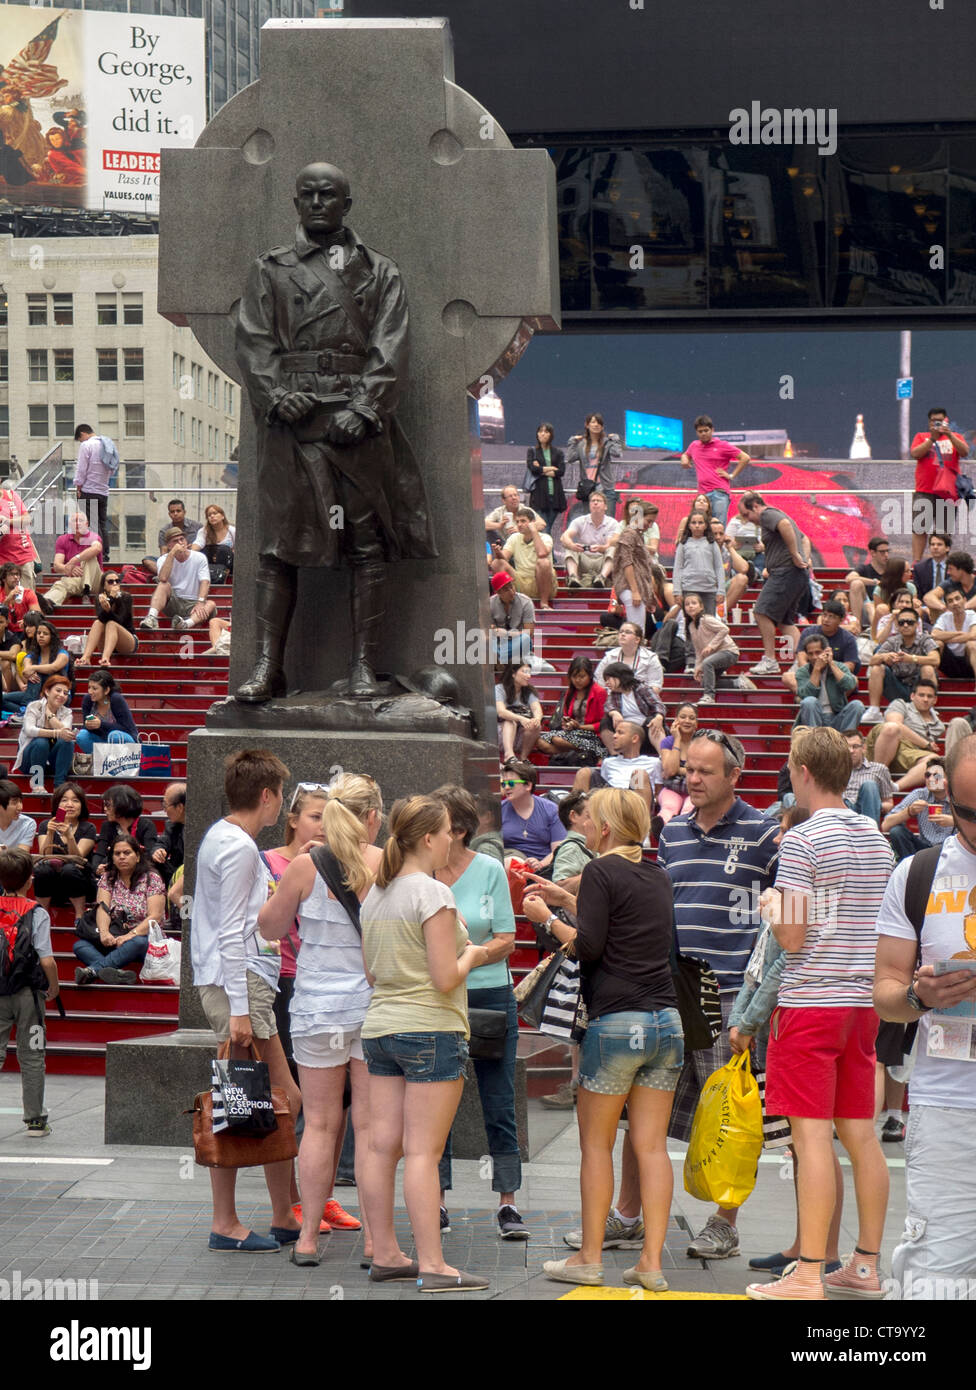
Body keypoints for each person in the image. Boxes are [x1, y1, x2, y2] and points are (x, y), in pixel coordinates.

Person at [234, 163, 437, 702]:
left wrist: (367, 407)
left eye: (329, 195)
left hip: (354, 424)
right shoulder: (269, 270)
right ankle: (265, 667)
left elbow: (391, 345)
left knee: (366, 545)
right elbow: (253, 341)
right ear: (295, 202)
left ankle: (365, 668)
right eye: (308, 194)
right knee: (278, 549)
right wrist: (278, 396)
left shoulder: (379, 270)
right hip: (293, 424)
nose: (318, 202)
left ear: (347, 203)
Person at [746, 727, 894, 1300]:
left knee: (810, 1140)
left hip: (810, 1003)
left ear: (802, 772)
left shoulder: (802, 842)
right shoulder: (876, 838)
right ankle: (863, 1266)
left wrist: (769, 904)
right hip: (862, 1003)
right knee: (860, 1135)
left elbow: (792, 933)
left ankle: (808, 1271)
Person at [540, 788, 683, 1290]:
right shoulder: (657, 875)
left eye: (589, 822)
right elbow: (628, 923)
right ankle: (651, 1264)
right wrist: (568, 898)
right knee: (651, 1148)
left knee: (596, 1147)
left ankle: (589, 1257)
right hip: (667, 1022)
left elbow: (590, 945)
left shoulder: (601, 870)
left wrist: (549, 919)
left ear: (603, 828)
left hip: (617, 1023)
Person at [359, 795, 491, 1292]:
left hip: (380, 1029)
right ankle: (434, 1265)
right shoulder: (433, 894)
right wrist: (474, 955)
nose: (453, 839)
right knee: (422, 1153)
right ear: (431, 838)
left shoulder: (377, 893)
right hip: (431, 1027)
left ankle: (388, 1254)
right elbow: (443, 978)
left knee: (380, 1145)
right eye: (449, 832)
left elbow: (371, 972)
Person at [658, 727, 780, 1261]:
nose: (694, 778)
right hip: (671, 991)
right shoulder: (671, 833)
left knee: (731, 1119)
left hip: (731, 994)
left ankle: (724, 1224)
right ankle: (629, 1216)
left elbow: (787, 921)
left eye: (707, 770)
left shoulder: (764, 834)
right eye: (689, 768)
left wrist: (759, 1006)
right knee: (648, 1113)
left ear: (735, 775)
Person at [874, 732, 976, 1299]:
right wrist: (920, 998)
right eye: (970, 813)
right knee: (939, 1274)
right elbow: (884, 992)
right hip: (949, 1106)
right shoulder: (916, 875)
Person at [258, 779, 377, 1265]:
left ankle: (307, 1236)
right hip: (372, 1006)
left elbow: (268, 927)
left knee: (320, 1125)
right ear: (371, 816)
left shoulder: (305, 865)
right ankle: (376, 1241)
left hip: (315, 1008)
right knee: (370, 1129)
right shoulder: (384, 863)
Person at [191, 749, 301, 1253]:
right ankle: (226, 1222)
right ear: (266, 796)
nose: (282, 806)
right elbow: (235, 933)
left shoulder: (222, 835)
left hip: (236, 982)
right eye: (281, 795)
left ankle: (283, 1214)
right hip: (240, 984)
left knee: (261, 1101)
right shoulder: (237, 846)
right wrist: (239, 1007)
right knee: (243, 1102)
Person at [430, 785, 527, 1238]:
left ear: (460, 830)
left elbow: (507, 939)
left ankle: (508, 1203)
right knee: (435, 1105)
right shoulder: (421, 872)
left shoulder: (489, 870)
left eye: (438, 824)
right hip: (435, 999)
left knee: (498, 1101)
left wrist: (465, 957)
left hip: (488, 996)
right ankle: (438, 1200)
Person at [0, 848, 58, 1136]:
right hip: (29, 995)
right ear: (29, 880)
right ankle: (35, 1120)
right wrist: (54, 986)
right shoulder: (37, 912)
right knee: (33, 1053)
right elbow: (46, 958)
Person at [73, 832, 166, 987]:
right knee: (80, 946)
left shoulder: (152, 878)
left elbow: (155, 916)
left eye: (127, 853)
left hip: (142, 938)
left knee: (138, 943)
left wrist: (129, 936)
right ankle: (114, 974)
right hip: (115, 936)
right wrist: (104, 933)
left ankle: (94, 970)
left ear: (137, 856)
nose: (122, 857)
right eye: (117, 854)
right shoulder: (108, 877)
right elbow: (102, 908)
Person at [741, 492, 811, 677]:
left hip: (785, 573)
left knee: (760, 612)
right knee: (785, 621)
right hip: (795, 574)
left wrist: (796, 555)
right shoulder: (778, 514)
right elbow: (804, 538)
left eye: (747, 514)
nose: (748, 520)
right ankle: (800, 662)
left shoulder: (767, 514)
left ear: (755, 505)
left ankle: (770, 660)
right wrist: (803, 558)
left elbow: (786, 525)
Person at [909, 406, 970, 563]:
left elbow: (964, 452)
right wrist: (932, 439)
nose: (937, 424)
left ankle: (943, 564)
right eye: (934, 421)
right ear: (929, 422)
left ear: (946, 421)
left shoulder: (955, 436)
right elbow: (915, 454)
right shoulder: (922, 436)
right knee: (919, 528)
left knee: (944, 530)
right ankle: (917, 563)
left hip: (948, 492)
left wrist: (949, 434)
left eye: (940, 421)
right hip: (924, 490)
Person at [33, 782, 97, 921]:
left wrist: (69, 836)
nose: (70, 804)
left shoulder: (88, 828)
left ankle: (80, 915)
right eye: (64, 800)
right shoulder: (46, 825)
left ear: (82, 805)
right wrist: (50, 832)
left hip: (80, 880)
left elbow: (78, 858)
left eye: (75, 800)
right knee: (42, 870)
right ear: (57, 804)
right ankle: (42, 917)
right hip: (53, 881)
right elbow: (44, 855)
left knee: (69, 869)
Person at [862, 608, 939, 724]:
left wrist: (911, 658)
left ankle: (929, 709)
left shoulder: (925, 639)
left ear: (917, 624)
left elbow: (935, 660)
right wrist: (884, 657)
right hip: (897, 686)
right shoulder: (893, 641)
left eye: (910, 622)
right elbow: (872, 660)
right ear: (897, 626)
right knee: (877, 668)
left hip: (919, 687)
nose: (906, 625)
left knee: (927, 668)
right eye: (902, 622)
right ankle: (874, 710)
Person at [865, 677, 945, 786]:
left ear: (935, 699)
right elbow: (895, 723)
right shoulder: (900, 704)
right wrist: (926, 744)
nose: (925, 699)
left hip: (909, 753)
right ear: (912, 696)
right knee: (892, 728)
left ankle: (895, 788)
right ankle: (876, 779)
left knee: (935, 761)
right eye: (921, 695)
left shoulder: (939, 726)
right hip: (883, 744)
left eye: (929, 696)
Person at [572, 719, 659, 815]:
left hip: (634, 803)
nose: (614, 736)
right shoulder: (608, 762)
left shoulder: (654, 762)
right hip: (609, 800)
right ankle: (577, 822)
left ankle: (642, 826)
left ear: (634, 738)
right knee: (583, 772)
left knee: (639, 774)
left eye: (620, 733)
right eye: (615, 732)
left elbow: (659, 793)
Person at [139, 528, 216, 633]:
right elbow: (163, 578)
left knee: (211, 604)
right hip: (173, 602)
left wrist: (200, 602)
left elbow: (205, 582)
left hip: (193, 603)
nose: (180, 543)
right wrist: (172, 554)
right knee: (163, 585)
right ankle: (151, 617)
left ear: (186, 541)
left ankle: (186, 624)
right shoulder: (163, 559)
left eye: (182, 539)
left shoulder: (199, 557)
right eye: (175, 541)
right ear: (169, 545)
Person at [537, 655, 606, 765]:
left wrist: (580, 726)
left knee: (557, 740)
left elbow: (603, 724)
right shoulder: (570, 692)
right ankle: (580, 751)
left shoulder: (599, 692)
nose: (577, 680)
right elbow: (565, 715)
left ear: (590, 676)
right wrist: (567, 723)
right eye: (574, 677)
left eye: (582, 676)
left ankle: (593, 750)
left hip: (592, 735)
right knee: (540, 742)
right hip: (573, 733)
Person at [783, 600, 862, 698]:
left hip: (833, 673)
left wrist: (828, 668)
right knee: (787, 677)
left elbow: (850, 665)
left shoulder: (848, 638)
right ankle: (806, 695)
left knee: (854, 681)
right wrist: (813, 671)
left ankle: (834, 703)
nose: (826, 620)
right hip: (810, 669)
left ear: (841, 621)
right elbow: (801, 656)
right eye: (824, 615)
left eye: (831, 617)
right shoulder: (808, 632)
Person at [680, 415, 750, 523]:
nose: (703, 433)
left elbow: (745, 458)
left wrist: (731, 475)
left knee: (718, 526)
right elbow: (685, 454)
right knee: (701, 526)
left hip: (720, 493)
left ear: (712, 430)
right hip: (702, 495)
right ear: (697, 433)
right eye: (700, 431)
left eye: (706, 430)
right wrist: (684, 459)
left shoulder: (723, 445)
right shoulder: (694, 445)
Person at [683, 593, 748, 706]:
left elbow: (724, 629)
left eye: (694, 603)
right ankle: (737, 682)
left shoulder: (706, 619)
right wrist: (697, 666)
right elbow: (698, 650)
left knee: (707, 663)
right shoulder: (691, 626)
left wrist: (711, 646)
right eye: (687, 604)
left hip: (729, 652)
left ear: (701, 606)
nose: (690, 606)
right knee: (705, 682)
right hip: (715, 657)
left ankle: (709, 696)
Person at [882, 759, 954, 860]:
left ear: (948, 778)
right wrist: (909, 811)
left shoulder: (958, 796)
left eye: (936, 776)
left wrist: (954, 821)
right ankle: (909, 869)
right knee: (897, 831)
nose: (930, 779)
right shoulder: (919, 794)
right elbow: (885, 825)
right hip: (924, 849)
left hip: (951, 849)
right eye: (928, 775)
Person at [500, 760, 565, 870]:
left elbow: (558, 849)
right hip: (511, 865)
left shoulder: (551, 810)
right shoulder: (499, 810)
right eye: (503, 783)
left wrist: (541, 864)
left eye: (511, 783)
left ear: (528, 785)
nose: (506, 787)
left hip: (545, 868)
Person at [794, 634, 865, 732]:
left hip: (837, 716)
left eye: (818, 652)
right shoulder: (802, 672)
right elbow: (806, 695)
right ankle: (815, 741)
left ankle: (845, 741)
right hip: (814, 717)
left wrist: (831, 664)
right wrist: (817, 670)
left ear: (826, 651)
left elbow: (849, 685)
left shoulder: (839, 667)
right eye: (810, 654)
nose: (814, 657)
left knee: (857, 705)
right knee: (809, 701)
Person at [1, 616, 70, 718]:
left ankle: (25, 710)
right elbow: (26, 670)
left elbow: (53, 667)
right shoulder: (32, 655)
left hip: (57, 694)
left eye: (45, 634)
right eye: (39, 633)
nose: (41, 636)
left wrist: (34, 669)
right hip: (34, 694)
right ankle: (27, 711)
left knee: (37, 674)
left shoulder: (62, 654)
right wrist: (30, 671)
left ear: (52, 637)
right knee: (3, 699)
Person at [12, 674, 73, 786]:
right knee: (41, 742)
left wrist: (49, 715)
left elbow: (66, 732)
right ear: (47, 691)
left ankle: (59, 785)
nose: (62, 695)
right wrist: (56, 733)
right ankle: (37, 783)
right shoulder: (34, 706)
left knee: (67, 742)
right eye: (58, 690)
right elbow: (29, 730)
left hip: (52, 762)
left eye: (65, 693)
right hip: (29, 761)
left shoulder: (67, 713)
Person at [38, 512, 102, 616]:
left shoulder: (93, 537)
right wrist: (68, 569)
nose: (77, 523)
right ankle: (47, 602)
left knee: (90, 557)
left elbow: (97, 548)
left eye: (80, 520)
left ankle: (86, 591)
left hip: (96, 580)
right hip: (77, 580)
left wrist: (74, 560)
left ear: (87, 524)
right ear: (69, 524)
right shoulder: (62, 540)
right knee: (61, 584)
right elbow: (57, 565)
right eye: (74, 521)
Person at [597, 662, 664, 757]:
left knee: (654, 721)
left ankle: (663, 755)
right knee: (605, 721)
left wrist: (659, 717)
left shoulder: (642, 688)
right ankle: (615, 755)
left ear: (619, 677)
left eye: (609, 679)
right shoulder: (614, 694)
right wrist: (614, 713)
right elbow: (608, 706)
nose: (606, 683)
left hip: (644, 729)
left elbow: (658, 704)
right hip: (625, 730)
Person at [91, 783, 159, 876]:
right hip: (113, 873)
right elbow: (100, 853)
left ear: (122, 805)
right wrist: (97, 867)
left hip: (140, 873)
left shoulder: (146, 825)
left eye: (108, 805)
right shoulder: (107, 826)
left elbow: (150, 856)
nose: (105, 809)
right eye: (104, 805)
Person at [611, 500, 658, 630]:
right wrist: (635, 591)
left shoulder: (637, 534)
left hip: (637, 588)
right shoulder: (629, 534)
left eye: (652, 522)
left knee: (637, 631)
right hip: (630, 588)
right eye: (649, 521)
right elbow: (627, 563)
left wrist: (646, 596)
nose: (650, 525)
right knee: (636, 631)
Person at [77, 570, 138, 669]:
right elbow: (101, 619)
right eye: (110, 582)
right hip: (108, 641)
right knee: (97, 623)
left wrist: (111, 601)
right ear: (104, 585)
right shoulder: (100, 598)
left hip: (127, 640)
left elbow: (120, 621)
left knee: (111, 624)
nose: (114, 584)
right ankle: (86, 657)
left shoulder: (126, 597)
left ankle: (105, 659)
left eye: (117, 581)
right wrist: (110, 600)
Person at [565, 413, 622, 517]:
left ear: (602, 426)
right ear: (587, 425)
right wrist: (572, 441)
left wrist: (615, 439)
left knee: (608, 519)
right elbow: (570, 458)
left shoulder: (606, 442)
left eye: (599, 423)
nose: (596, 425)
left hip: (605, 486)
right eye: (593, 422)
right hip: (588, 487)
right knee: (590, 520)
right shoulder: (582, 444)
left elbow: (617, 453)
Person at [672, 510, 726, 617]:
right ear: (689, 525)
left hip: (709, 590)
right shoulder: (683, 544)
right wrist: (677, 591)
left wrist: (721, 591)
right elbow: (678, 568)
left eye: (700, 523)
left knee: (709, 621)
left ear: (706, 525)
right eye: (694, 523)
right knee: (691, 623)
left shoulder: (712, 543)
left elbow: (719, 567)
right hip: (689, 589)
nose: (697, 526)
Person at [562, 490, 619, 588]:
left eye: (599, 501)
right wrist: (572, 545)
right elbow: (564, 537)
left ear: (605, 506)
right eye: (593, 501)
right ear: (589, 505)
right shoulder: (580, 520)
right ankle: (573, 577)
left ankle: (602, 577)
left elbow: (613, 542)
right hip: (584, 559)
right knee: (569, 546)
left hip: (602, 560)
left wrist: (603, 548)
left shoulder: (612, 523)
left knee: (613, 549)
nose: (595, 503)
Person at [501, 507, 555, 610]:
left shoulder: (546, 537)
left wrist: (534, 531)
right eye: (517, 522)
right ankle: (506, 602)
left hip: (544, 584)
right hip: (521, 582)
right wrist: (498, 552)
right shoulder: (514, 537)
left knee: (543, 562)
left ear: (532, 522)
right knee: (497, 563)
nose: (519, 524)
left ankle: (544, 603)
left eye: (523, 521)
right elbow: (504, 558)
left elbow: (542, 553)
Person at [72, 425, 112, 564]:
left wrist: (78, 486)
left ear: (83, 433)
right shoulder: (107, 443)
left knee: (91, 524)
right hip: (103, 490)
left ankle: (96, 553)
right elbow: (112, 466)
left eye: (80, 439)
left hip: (88, 490)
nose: (81, 442)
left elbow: (81, 469)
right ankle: (105, 554)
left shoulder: (86, 445)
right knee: (102, 523)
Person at [75, 670, 138, 756]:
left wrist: (101, 724)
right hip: (102, 741)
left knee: (114, 735)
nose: (90, 692)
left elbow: (127, 728)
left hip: (124, 739)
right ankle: (101, 762)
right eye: (89, 687)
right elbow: (86, 728)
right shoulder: (88, 700)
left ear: (106, 690)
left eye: (94, 688)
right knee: (82, 736)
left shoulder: (116, 699)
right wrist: (88, 725)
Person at [655, 702, 699, 824]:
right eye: (683, 717)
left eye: (691, 718)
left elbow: (701, 771)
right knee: (669, 807)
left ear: (696, 723)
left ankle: (682, 834)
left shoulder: (701, 742)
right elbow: (670, 770)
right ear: (676, 720)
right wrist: (677, 740)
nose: (687, 721)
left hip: (695, 789)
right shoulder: (668, 742)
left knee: (689, 809)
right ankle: (661, 831)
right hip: (671, 789)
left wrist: (679, 769)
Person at [594, 620, 663, 694]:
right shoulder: (610, 656)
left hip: (641, 701)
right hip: (613, 700)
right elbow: (598, 682)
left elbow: (656, 686)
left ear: (637, 639)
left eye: (627, 632)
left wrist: (632, 696)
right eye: (621, 631)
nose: (623, 634)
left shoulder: (651, 658)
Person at [495, 661, 544, 763]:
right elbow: (501, 712)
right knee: (510, 721)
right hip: (501, 734)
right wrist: (521, 718)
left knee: (535, 725)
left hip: (521, 735)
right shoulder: (499, 689)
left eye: (529, 673)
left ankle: (523, 758)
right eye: (525, 672)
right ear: (513, 673)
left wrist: (537, 719)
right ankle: (509, 756)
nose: (529, 676)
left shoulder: (529, 691)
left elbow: (537, 709)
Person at [843, 730, 895, 825]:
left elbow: (888, 803)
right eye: (847, 747)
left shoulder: (879, 769)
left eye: (855, 746)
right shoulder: (834, 770)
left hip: (867, 809)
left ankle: (870, 833)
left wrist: (874, 804)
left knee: (869, 785)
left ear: (863, 748)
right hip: (843, 809)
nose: (850, 751)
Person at [525, 422, 566, 534]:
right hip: (539, 496)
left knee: (547, 529)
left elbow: (561, 471)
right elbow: (532, 468)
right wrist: (551, 468)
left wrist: (541, 470)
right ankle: (550, 552)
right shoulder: (532, 451)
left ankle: (546, 551)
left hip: (555, 496)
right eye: (540, 431)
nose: (543, 434)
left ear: (551, 435)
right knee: (545, 530)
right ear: (537, 434)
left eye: (546, 431)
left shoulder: (558, 452)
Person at [488, 572, 534, 668]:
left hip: (517, 642)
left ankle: (498, 659)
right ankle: (500, 658)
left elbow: (529, 631)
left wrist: (507, 634)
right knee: (486, 637)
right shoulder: (490, 603)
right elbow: (489, 628)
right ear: (498, 592)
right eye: (506, 589)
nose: (512, 591)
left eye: (512, 586)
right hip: (498, 643)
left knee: (526, 639)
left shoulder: (526, 602)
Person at [710, 516, 755, 614]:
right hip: (706, 591)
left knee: (742, 579)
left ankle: (720, 613)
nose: (718, 537)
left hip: (722, 590)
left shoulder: (726, 551)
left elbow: (744, 569)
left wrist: (730, 547)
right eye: (714, 534)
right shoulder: (702, 550)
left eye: (721, 534)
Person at [931, 586, 976, 682]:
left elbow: (973, 635)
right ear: (947, 606)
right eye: (950, 601)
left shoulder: (972, 615)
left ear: (964, 600)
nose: (955, 603)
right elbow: (934, 635)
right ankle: (932, 683)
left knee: (972, 644)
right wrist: (958, 633)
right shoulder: (944, 617)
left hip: (969, 662)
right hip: (949, 663)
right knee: (937, 643)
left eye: (957, 599)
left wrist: (947, 638)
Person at [0, 485, 39, 590]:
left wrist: (7, 521)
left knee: (26, 598)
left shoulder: (11, 495)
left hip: (23, 555)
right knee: (4, 601)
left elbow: (27, 520)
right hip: (3, 560)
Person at [921, 548, 976, 619]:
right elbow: (928, 597)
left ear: (961, 569)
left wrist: (962, 608)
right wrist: (945, 608)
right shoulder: (950, 582)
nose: (948, 572)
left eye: (950, 569)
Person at [151, 782, 186, 886]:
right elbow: (161, 842)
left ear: (179, 807)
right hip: (176, 877)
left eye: (165, 805)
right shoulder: (171, 825)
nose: (164, 810)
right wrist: (157, 851)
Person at [191, 504, 235, 581]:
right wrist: (190, 552)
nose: (212, 516)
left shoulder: (232, 531)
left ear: (222, 516)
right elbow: (198, 543)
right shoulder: (204, 531)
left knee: (224, 550)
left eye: (215, 513)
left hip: (228, 564)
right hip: (210, 563)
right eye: (209, 515)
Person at [912, 531, 952, 607]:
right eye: (932, 544)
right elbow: (918, 595)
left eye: (939, 544)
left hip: (951, 607)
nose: (935, 547)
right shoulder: (920, 568)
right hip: (927, 607)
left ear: (947, 548)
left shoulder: (955, 566)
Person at [0, 564, 37, 637]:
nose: (16, 577)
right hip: (4, 632)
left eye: (17, 574)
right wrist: (7, 601)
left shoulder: (28, 593)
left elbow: (37, 614)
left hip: (25, 631)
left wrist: (27, 621)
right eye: (12, 574)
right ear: (3, 578)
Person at [0, 778, 35, 850]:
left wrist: (3, 852)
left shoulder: (28, 823)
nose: (20, 807)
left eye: (21, 801)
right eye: (14, 803)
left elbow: (21, 856)